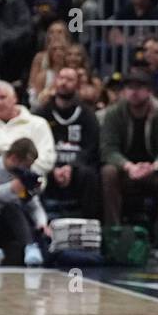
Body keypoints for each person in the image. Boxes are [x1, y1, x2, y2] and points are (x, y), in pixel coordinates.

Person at [99, 67, 158, 233]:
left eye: (139, 87)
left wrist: (155, 166)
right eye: (129, 88)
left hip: (153, 170)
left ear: (149, 91)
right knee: (108, 172)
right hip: (125, 170)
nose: (134, 92)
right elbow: (108, 149)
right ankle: (113, 231)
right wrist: (129, 166)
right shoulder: (114, 113)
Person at [0, 137, 48, 267]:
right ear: (13, 158)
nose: (27, 169)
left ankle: (30, 248)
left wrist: (42, 223)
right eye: (25, 165)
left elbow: (34, 205)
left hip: (7, 222)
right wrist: (10, 189)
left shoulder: (24, 176)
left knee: (12, 207)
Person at [36, 66, 102, 217]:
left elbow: (91, 148)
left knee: (90, 175)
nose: (64, 83)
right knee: (34, 173)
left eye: (69, 79)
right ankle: (40, 226)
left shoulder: (87, 115)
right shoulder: (42, 113)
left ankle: (89, 224)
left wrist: (72, 167)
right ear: (55, 82)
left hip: (78, 168)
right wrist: (53, 168)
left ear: (78, 85)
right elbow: (36, 145)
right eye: (61, 78)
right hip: (49, 166)